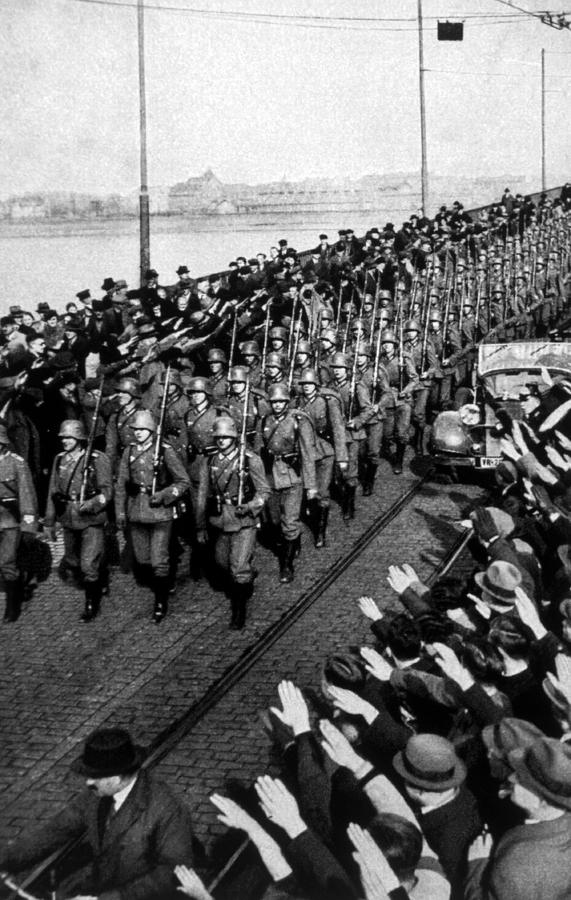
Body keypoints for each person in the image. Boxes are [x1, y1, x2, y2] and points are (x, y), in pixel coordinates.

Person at [0, 727, 195, 900]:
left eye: (95, 776)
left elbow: (171, 873)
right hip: (100, 884)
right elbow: (55, 831)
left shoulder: (167, 808)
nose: (88, 782)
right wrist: (5, 859)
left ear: (116, 778)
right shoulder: (95, 796)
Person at [114, 410, 190, 623]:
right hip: (137, 510)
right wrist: (120, 512)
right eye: (136, 430)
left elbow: (183, 482)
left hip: (160, 513)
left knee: (159, 561)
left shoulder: (164, 451)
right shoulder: (129, 452)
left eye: (143, 430)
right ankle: (163, 583)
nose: (138, 433)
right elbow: (121, 484)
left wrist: (164, 495)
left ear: (151, 431)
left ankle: (160, 602)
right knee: (143, 559)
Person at [196, 416, 270, 629]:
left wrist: (251, 506)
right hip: (220, 517)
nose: (221, 441)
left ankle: (239, 611)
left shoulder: (249, 459)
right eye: (218, 437)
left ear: (234, 437)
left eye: (226, 437)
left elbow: (264, 490)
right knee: (222, 562)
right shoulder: (210, 461)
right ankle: (246, 575)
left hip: (244, 519)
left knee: (238, 568)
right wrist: (200, 525)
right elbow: (202, 495)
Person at [44, 420, 112, 622]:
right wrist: (49, 522)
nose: (65, 441)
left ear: (80, 438)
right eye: (63, 437)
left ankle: (91, 603)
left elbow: (107, 491)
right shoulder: (59, 459)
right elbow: (53, 491)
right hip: (68, 516)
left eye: (69, 437)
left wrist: (92, 503)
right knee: (73, 560)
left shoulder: (97, 459)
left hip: (91, 517)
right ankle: (99, 576)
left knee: (87, 564)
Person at [0, 421, 38, 622]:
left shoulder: (16, 463)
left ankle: (12, 606)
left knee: (7, 562)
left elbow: (27, 496)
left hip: (10, 520)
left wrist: (29, 526)